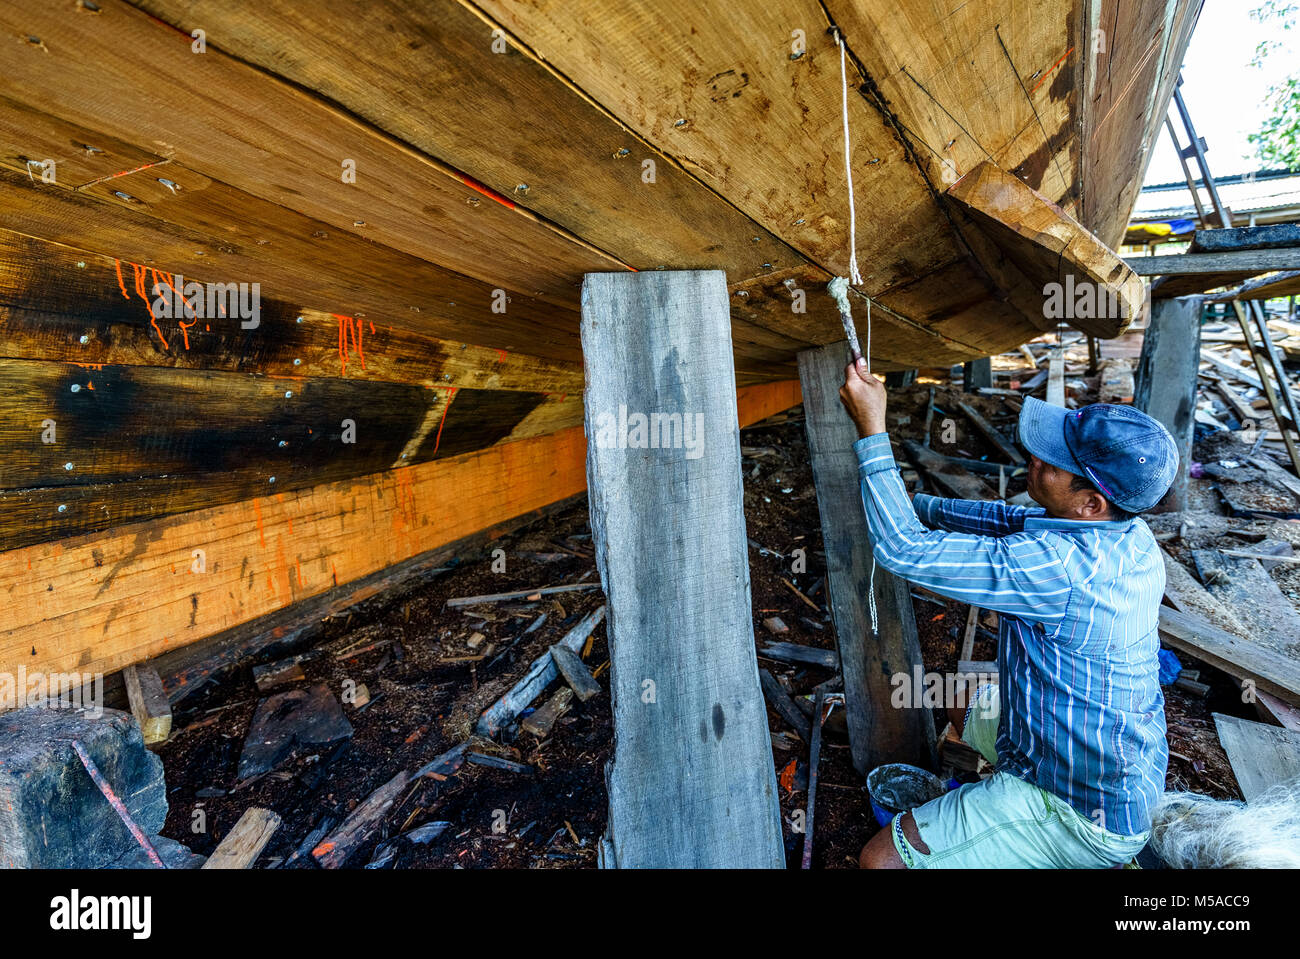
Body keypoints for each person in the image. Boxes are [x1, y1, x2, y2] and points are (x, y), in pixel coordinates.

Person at [839, 358, 1177, 869]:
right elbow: (1009, 519)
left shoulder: (1061, 570)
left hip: (1082, 810)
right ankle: (995, 809)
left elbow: (903, 552)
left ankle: (1034, 836)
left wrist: (872, 432)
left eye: (1052, 463)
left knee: (878, 862)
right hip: (1110, 765)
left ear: (1090, 503)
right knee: (959, 699)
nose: (1034, 459)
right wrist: (915, 503)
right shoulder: (1127, 532)